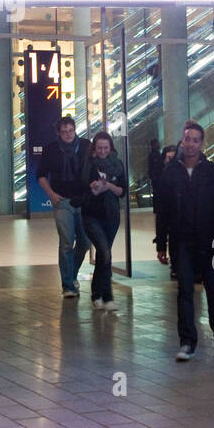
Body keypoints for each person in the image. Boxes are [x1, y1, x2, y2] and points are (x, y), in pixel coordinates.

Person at [154, 119, 214, 360]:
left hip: (209, 238)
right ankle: (187, 341)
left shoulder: (212, 171)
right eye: (187, 139)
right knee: (185, 289)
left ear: (201, 144)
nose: (190, 144)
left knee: (212, 284)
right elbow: (163, 210)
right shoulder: (170, 172)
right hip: (181, 240)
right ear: (182, 140)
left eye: (195, 140)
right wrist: (161, 243)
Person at [37, 115, 91, 299]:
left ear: (75, 130)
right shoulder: (51, 150)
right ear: (58, 133)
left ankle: (72, 273)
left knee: (85, 242)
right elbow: (41, 175)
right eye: (64, 132)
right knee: (67, 243)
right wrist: (51, 195)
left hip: (83, 201)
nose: (68, 134)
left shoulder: (85, 146)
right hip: (63, 202)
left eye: (71, 131)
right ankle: (68, 285)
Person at [80, 132, 125, 312]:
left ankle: (96, 293)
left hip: (111, 216)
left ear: (111, 148)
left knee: (103, 255)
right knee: (105, 252)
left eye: (106, 148)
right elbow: (82, 186)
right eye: (99, 148)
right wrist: (93, 187)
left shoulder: (118, 165)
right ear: (94, 148)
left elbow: (122, 191)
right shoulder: (88, 166)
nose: (102, 151)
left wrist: (109, 187)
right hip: (92, 215)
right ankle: (107, 296)